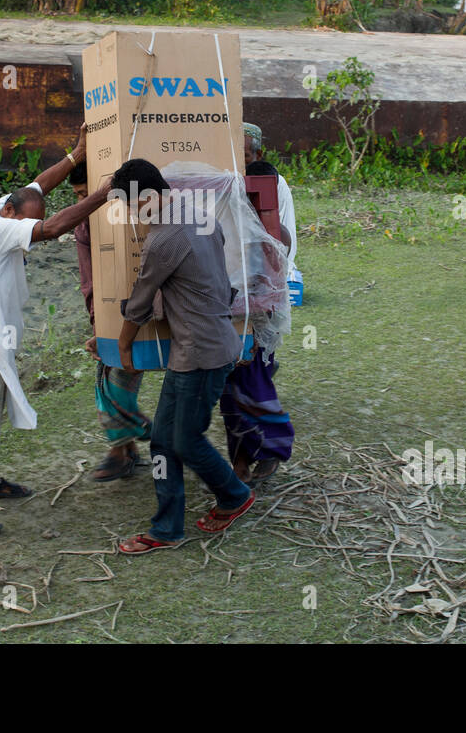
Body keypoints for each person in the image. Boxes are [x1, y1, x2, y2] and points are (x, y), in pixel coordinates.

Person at [0, 125, 111, 538]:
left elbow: (38, 186)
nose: (32, 235)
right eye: (26, 225)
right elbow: (49, 228)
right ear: (11, 216)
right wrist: (103, 194)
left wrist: (75, 155)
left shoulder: (2, 207)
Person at [112, 159, 256, 554]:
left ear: (147, 197)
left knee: (186, 440)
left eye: (131, 207)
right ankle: (167, 526)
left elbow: (140, 301)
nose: (131, 216)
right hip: (205, 345)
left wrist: (122, 345)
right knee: (162, 439)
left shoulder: (164, 238)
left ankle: (233, 495)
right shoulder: (199, 214)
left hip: (201, 354)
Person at [220, 122, 297, 486]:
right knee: (233, 386)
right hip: (231, 297)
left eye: (247, 156)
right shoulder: (226, 184)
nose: (241, 163)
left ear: (259, 155)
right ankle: (243, 460)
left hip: (263, 298)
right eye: (236, 156)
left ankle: (260, 451)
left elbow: (282, 243)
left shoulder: (271, 185)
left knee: (250, 377)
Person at [70, 162, 151, 481]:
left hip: (129, 313)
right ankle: (127, 449)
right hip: (102, 313)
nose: (81, 202)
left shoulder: (122, 219)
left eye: (84, 194)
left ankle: (138, 436)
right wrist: (96, 322)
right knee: (105, 381)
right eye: (76, 195)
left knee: (119, 383)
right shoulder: (85, 224)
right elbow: (89, 278)